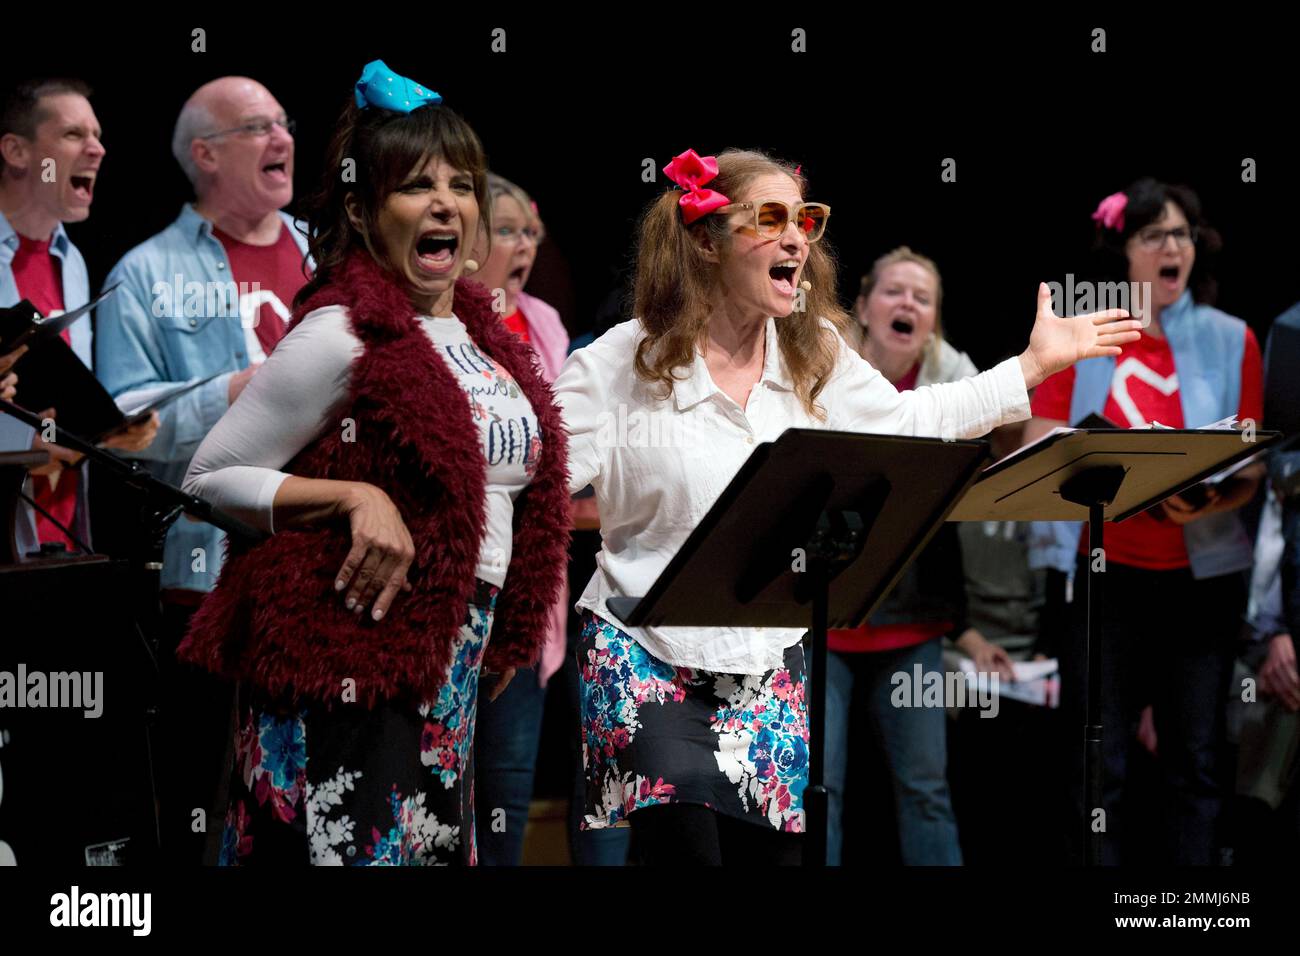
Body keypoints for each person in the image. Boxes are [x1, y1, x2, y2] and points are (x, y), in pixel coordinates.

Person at [553, 147, 1140, 864]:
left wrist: (1032, 366)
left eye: (805, 220)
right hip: (641, 649)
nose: (797, 236)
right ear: (705, 241)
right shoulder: (621, 362)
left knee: (771, 860)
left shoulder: (814, 354)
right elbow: (533, 476)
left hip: (765, 659)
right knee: (685, 850)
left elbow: (910, 422)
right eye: (769, 218)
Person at [178, 61, 571, 865]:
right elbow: (206, 479)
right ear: (361, 209)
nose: (446, 205)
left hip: (451, 667)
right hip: (345, 668)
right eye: (415, 186)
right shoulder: (340, 332)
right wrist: (351, 496)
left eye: (462, 185)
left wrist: (507, 633)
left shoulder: (488, 341)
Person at [93, 75, 312, 863]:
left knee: (313, 800)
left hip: (326, 569)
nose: (283, 138)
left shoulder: (327, 253)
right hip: (209, 575)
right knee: (208, 797)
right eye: (260, 127)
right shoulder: (144, 274)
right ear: (205, 155)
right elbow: (117, 428)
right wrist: (233, 393)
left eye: (284, 122)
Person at [1027, 178, 1265, 865]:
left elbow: (1249, 465)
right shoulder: (1085, 329)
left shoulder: (1232, 338)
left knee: (1195, 759)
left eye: (1181, 235)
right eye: (1153, 234)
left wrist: (1203, 497)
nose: (1171, 247)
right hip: (1103, 577)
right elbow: (1042, 440)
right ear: (1124, 250)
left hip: (1201, 583)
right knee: (1098, 762)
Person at [824, 247, 994, 866]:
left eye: (923, 299)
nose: (908, 305)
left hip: (914, 620)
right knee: (823, 790)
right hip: (830, 618)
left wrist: (968, 629)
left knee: (925, 789)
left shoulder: (956, 378)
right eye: (895, 292)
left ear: (934, 323)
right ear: (864, 307)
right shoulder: (820, 367)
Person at [0, 77, 156, 560]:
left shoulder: (73, 260)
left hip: (62, 533)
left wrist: (106, 433)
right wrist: (28, 443)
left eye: (98, 135)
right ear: (16, 151)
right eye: (73, 135)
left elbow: (63, 400)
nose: (97, 150)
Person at [469, 172, 572, 865]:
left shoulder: (546, 323)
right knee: (442, 779)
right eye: (506, 230)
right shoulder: (446, 320)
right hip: (461, 581)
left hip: (530, 591)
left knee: (507, 784)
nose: (523, 245)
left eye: (531, 232)